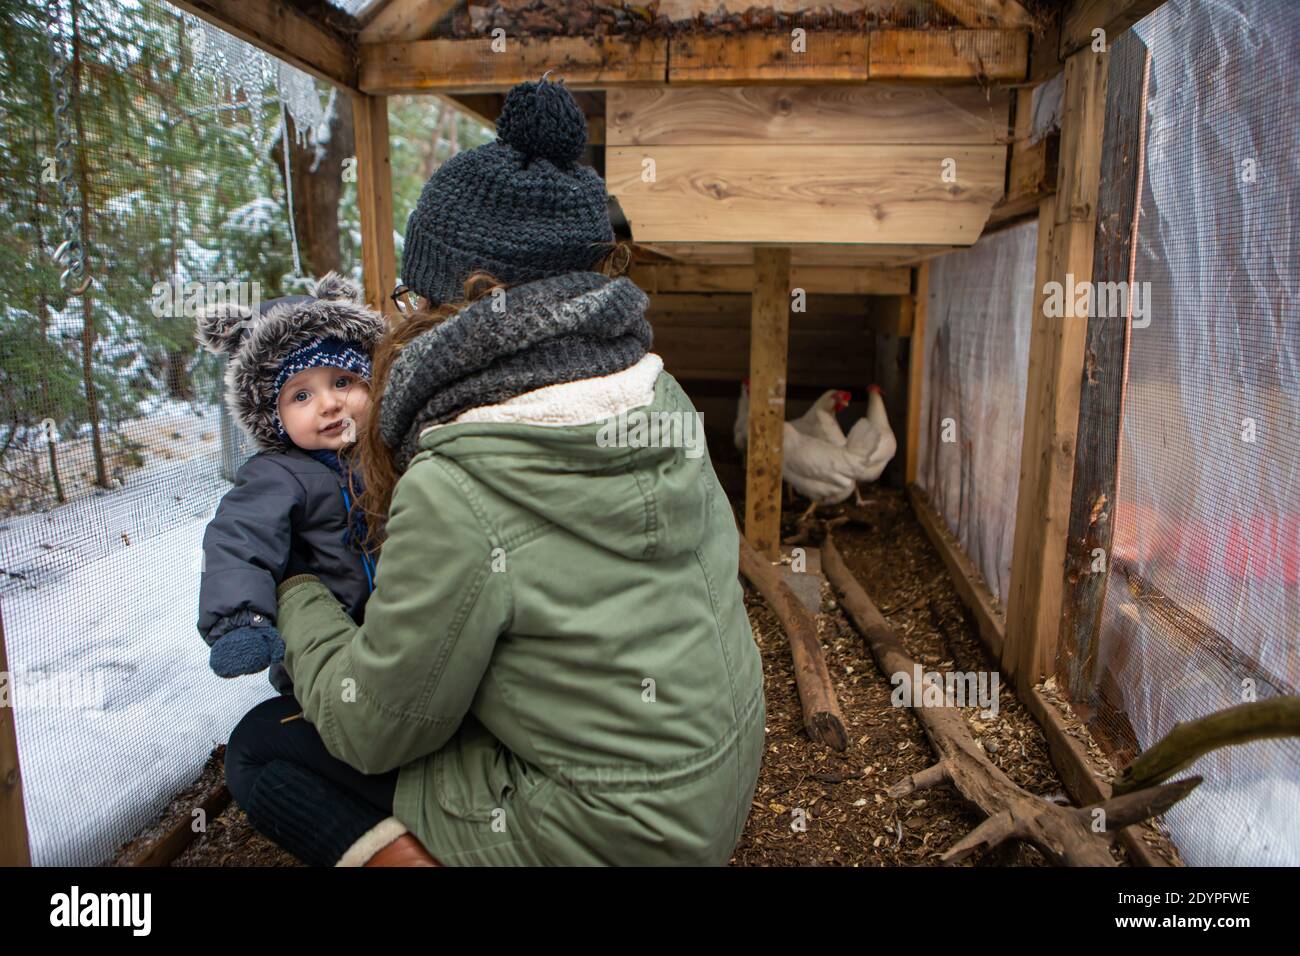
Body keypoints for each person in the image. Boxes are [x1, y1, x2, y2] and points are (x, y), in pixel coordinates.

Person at [223, 75, 766, 867]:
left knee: (262, 748)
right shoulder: (658, 389)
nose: (400, 315)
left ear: (465, 302)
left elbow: (374, 731)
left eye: (412, 293)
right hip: (707, 789)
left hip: (606, 839)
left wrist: (299, 592)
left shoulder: (462, 483)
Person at [195, 273, 383, 695]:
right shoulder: (277, 475)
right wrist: (241, 620)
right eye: (301, 396)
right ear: (269, 415)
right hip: (323, 665)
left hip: (402, 643)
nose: (330, 403)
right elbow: (239, 540)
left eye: (343, 381)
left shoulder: (389, 453)